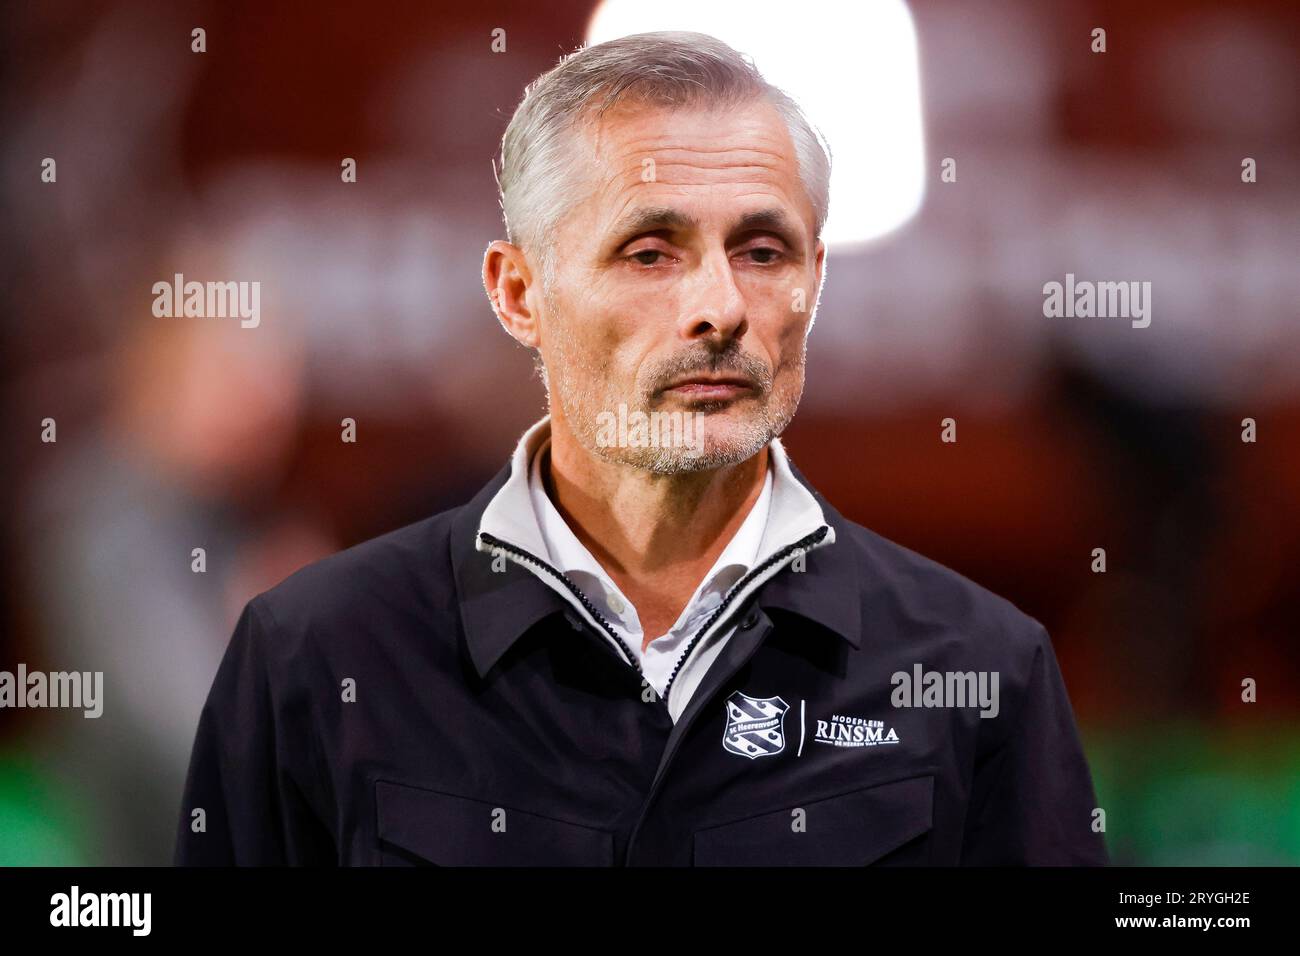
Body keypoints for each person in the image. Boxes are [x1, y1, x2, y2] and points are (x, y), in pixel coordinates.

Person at [174, 30, 1107, 866]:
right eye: (651, 251)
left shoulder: (979, 671)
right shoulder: (313, 656)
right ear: (518, 293)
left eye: (764, 251)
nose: (721, 307)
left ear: (814, 280)